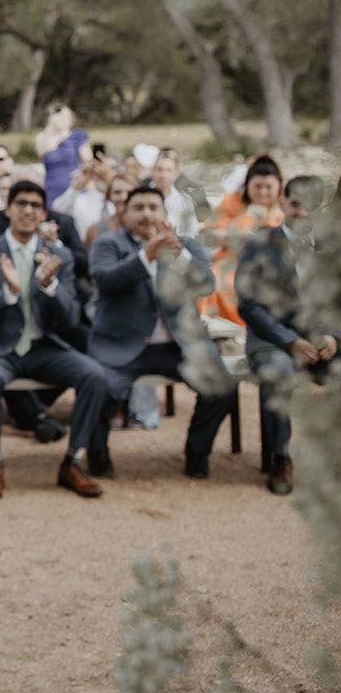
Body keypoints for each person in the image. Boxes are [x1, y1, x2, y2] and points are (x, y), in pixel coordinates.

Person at [0, 181, 108, 500]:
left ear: (44, 213)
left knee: (94, 375)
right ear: (8, 209)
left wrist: (50, 288)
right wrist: (8, 293)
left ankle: (73, 462)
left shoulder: (59, 256)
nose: (28, 210)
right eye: (21, 203)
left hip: (44, 347)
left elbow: (70, 318)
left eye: (35, 205)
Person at [86, 184, 236, 479]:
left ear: (165, 213)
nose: (146, 214)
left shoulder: (186, 246)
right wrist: (148, 256)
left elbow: (206, 284)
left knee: (222, 387)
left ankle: (197, 451)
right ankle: (97, 451)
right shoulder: (108, 244)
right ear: (124, 213)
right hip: (121, 345)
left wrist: (177, 256)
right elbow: (106, 281)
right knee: (97, 387)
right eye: (138, 208)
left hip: (178, 346)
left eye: (153, 207)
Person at [234, 175, 335, 495]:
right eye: (295, 204)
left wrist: (334, 335)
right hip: (272, 340)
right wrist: (290, 341)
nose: (302, 212)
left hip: (322, 342)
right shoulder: (257, 245)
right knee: (278, 373)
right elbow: (248, 305)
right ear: (283, 203)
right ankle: (280, 458)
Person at [200, 154, 284, 325]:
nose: (263, 192)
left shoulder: (286, 205)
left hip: (275, 264)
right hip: (232, 261)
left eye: (268, 187)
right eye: (257, 186)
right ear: (248, 185)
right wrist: (237, 236)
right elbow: (207, 233)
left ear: (279, 186)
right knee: (217, 285)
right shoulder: (233, 201)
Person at [36, 104, 89, 205]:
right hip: (51, 189)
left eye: (64, 117)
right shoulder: (42, 137)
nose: (60, 119)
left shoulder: (77, 136)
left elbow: (87, 159)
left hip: (73, 186)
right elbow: (42, 153)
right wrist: (52, 125)